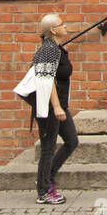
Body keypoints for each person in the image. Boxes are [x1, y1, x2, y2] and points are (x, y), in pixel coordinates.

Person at [31, 12, 79, 204]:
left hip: (59, 106)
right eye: (62, 24)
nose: (65, 27)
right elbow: (45, 79)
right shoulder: (48, 49)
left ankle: (46, 178)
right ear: (53, 30)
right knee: (48, 148)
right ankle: (43, 192)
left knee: (71, 141)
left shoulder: (57, 48)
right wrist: (57, 107)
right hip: (49, 108)